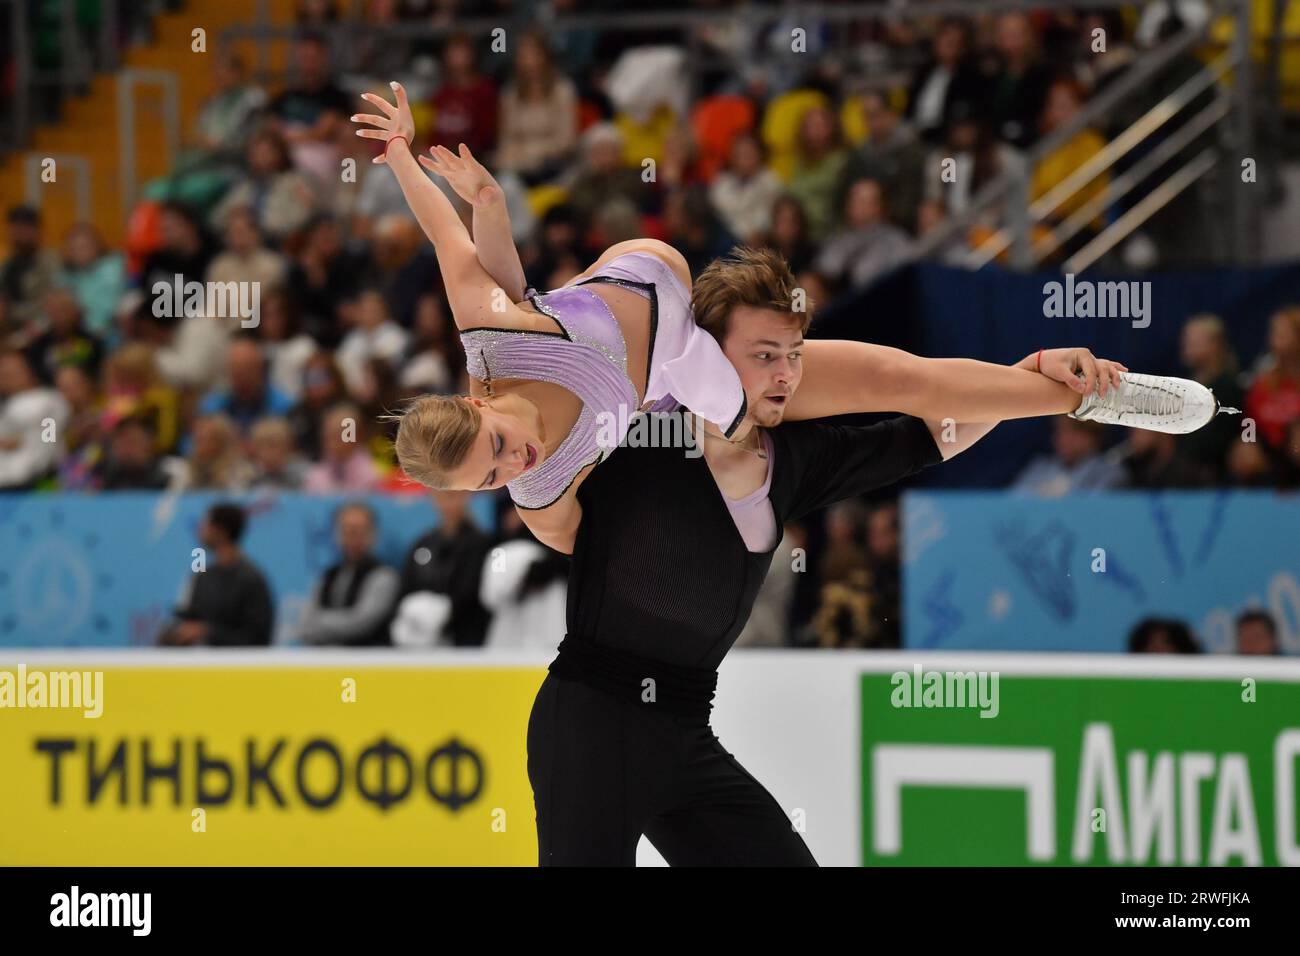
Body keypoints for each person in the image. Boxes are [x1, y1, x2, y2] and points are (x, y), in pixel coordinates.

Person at [353, 84, 1227, 556]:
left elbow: (449, 239)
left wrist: (399, 150)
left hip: (653, 277)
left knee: (893, 374)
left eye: (496, 446)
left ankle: (1050, 387)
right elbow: (624, 552)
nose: (516, 463)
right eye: (489, 483)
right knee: (895, 390)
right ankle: (1084, 396)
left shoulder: (488, 337)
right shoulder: (542, 501)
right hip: (689, 374)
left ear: (473, 404)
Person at [522, 254, 1025, 865]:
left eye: (794, 355)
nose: (785, 374)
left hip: (685, 731)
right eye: (764, 355)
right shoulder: (634, 436)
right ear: (706, 351)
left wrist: (1029, 381)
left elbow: (928, 438)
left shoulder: (792, 461)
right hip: (589, 727)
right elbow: (524, 365)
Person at [159, 502, 275, 647]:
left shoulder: (252, 580)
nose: (200, 530)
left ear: (221, 530)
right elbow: (190, 618)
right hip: (202, 666)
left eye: (205, 525)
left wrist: (207, 632)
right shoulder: (202, 576)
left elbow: (258, 638)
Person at [298, 502, 400, 646]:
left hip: (369, 661)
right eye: (346, 530)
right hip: (326, 661)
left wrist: (319, 621)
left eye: (358, 530)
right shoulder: (328, 574)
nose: (351, 537)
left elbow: (361, 622)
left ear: (373, 533)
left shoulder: (383, 575)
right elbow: (304, 623)